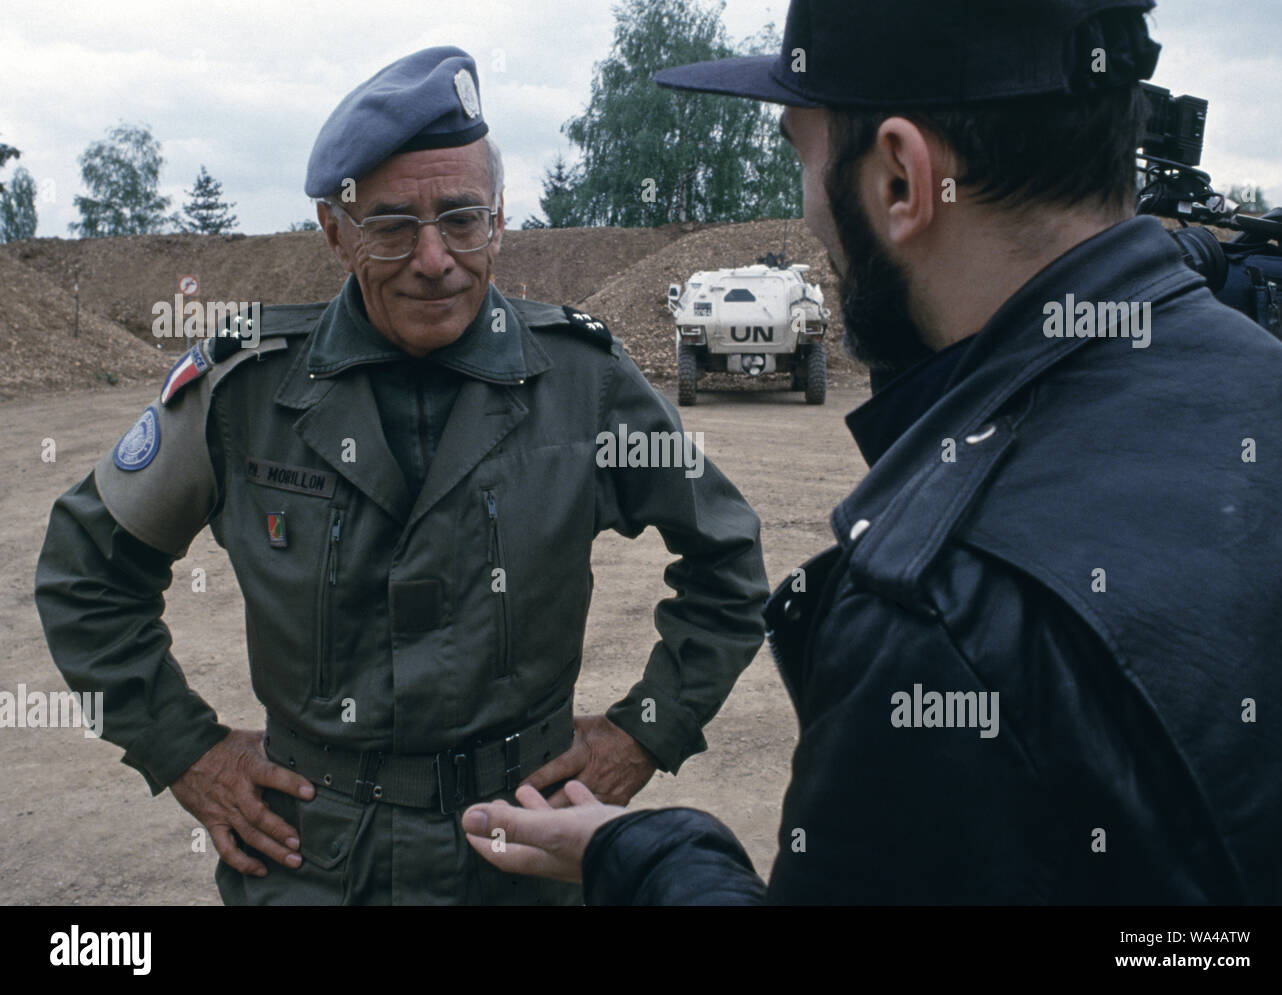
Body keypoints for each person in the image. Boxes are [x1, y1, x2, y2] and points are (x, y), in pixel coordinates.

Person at [461, 0, 1282, 904]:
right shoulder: (1273, 386)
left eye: (804, 156)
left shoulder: (941, 614)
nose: (811, 204)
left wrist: (645, 852)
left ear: (901, 179)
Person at [33, 46, 769, 905]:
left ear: (498, 219)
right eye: (391, 227)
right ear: (334, 230)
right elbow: (87, 570)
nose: (434, 258)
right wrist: (183, 748)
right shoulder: (247, 391)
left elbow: (728, 562)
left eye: (462, 219)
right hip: (312, 858)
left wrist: (646, 729)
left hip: (522, 848)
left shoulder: (585, 382)